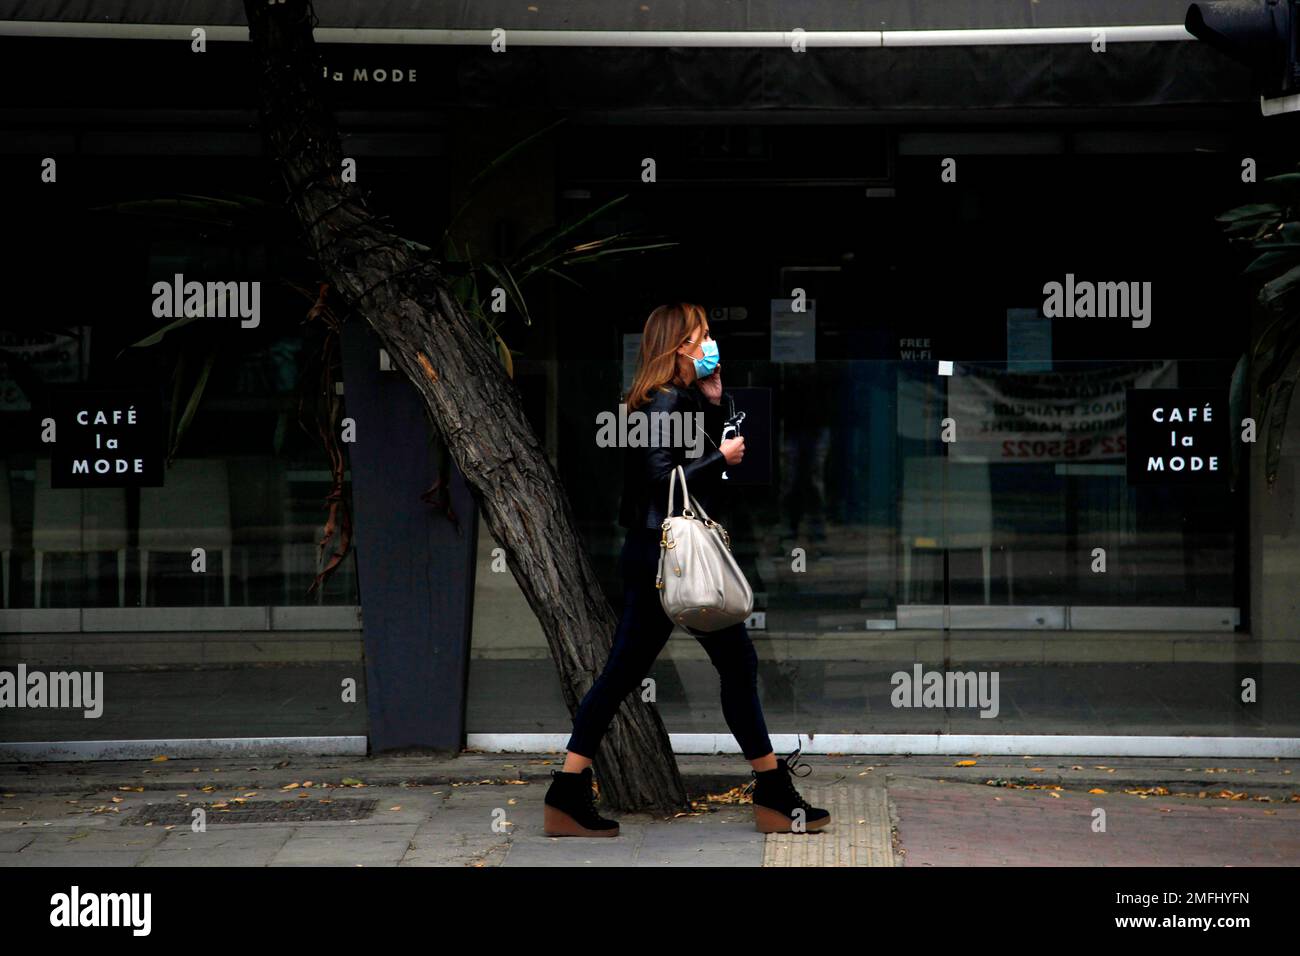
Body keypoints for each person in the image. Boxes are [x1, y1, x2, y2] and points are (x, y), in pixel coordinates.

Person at [543, 302, 831, 837]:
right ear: (680, 347)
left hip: (661, 555)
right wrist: (721, 457)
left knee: (649, 674)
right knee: (712, 669)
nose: (710, 345)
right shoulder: (662, 402)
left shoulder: (676, 400)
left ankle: (568, 789)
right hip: (668, 560)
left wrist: (717, 405)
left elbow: (681, 467)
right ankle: (771, 793)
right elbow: (660, 480)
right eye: (703, 336)